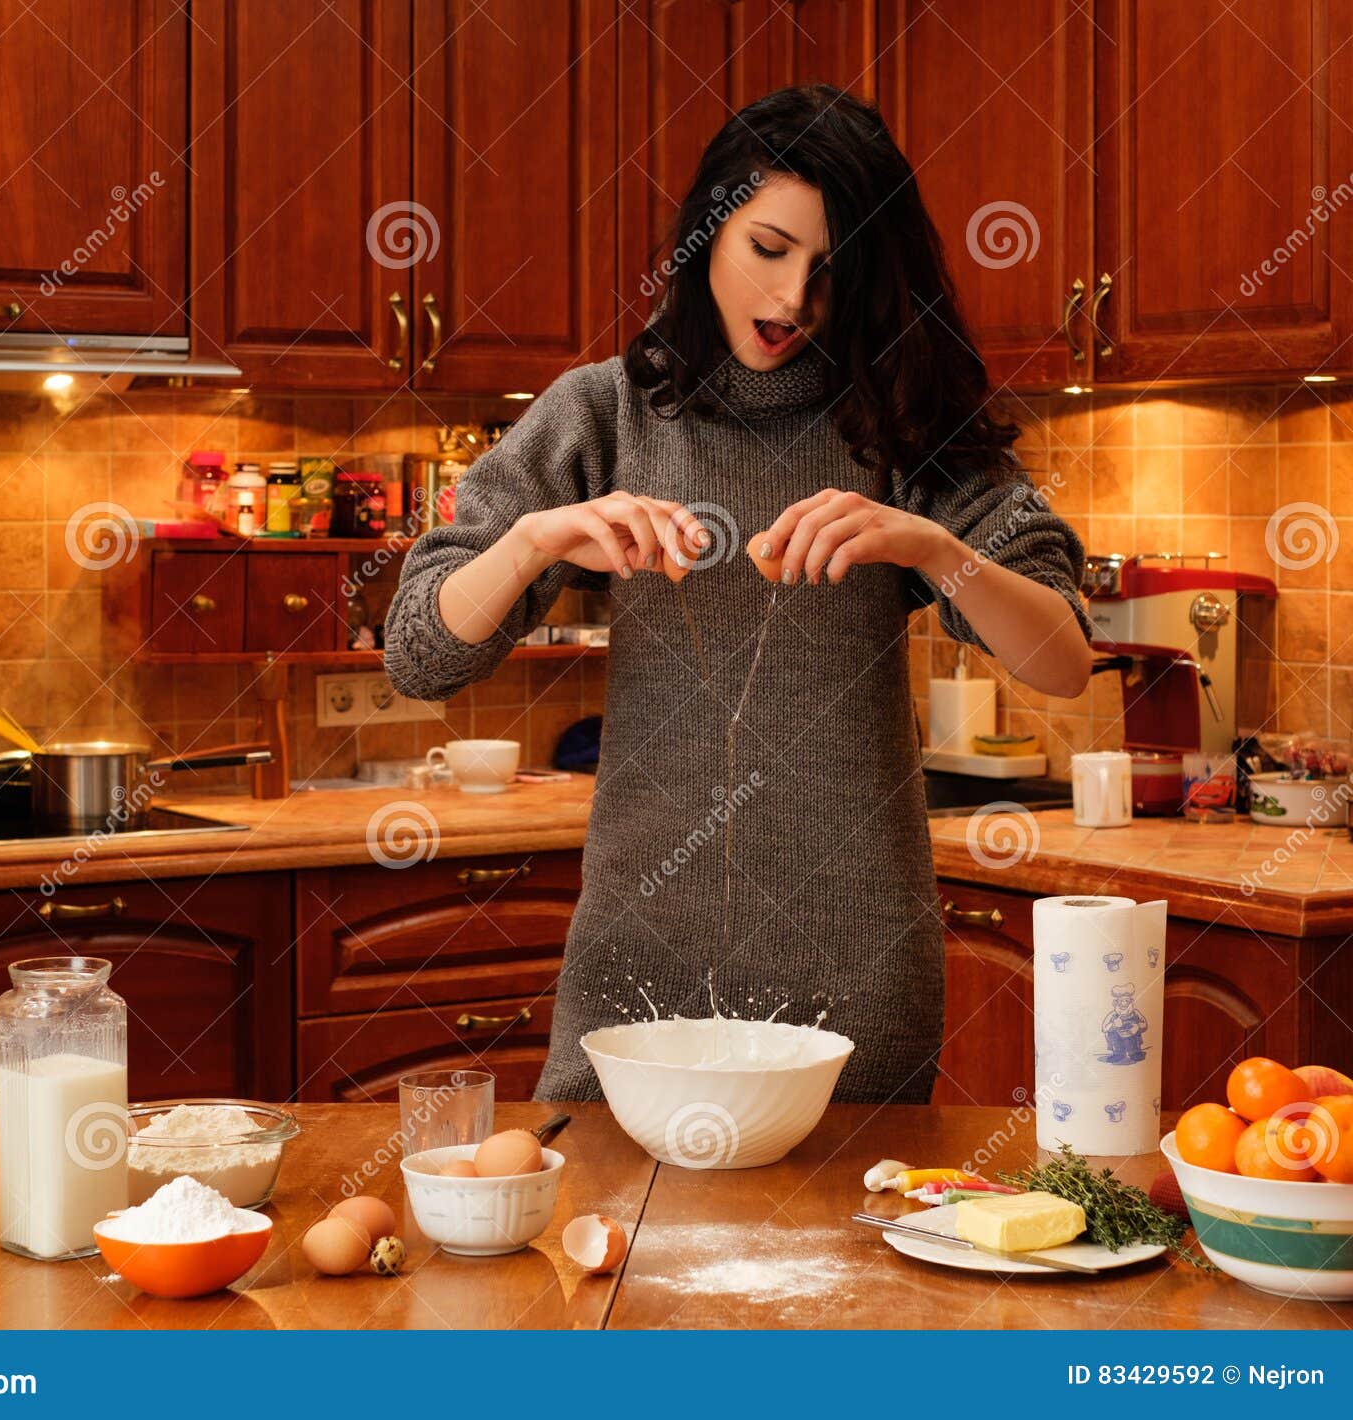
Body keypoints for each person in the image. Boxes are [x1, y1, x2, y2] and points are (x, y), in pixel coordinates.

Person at [383, 84, 1093, 1103]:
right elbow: (418, 652)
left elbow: (1064, 660)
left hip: (855, 989)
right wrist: (537, 538)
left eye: (829, 269)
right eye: (767, 248)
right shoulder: (604, 411)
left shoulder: (901, 423)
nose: (794, 298)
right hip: (634, 981)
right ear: (706, 230)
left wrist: (936, 550)